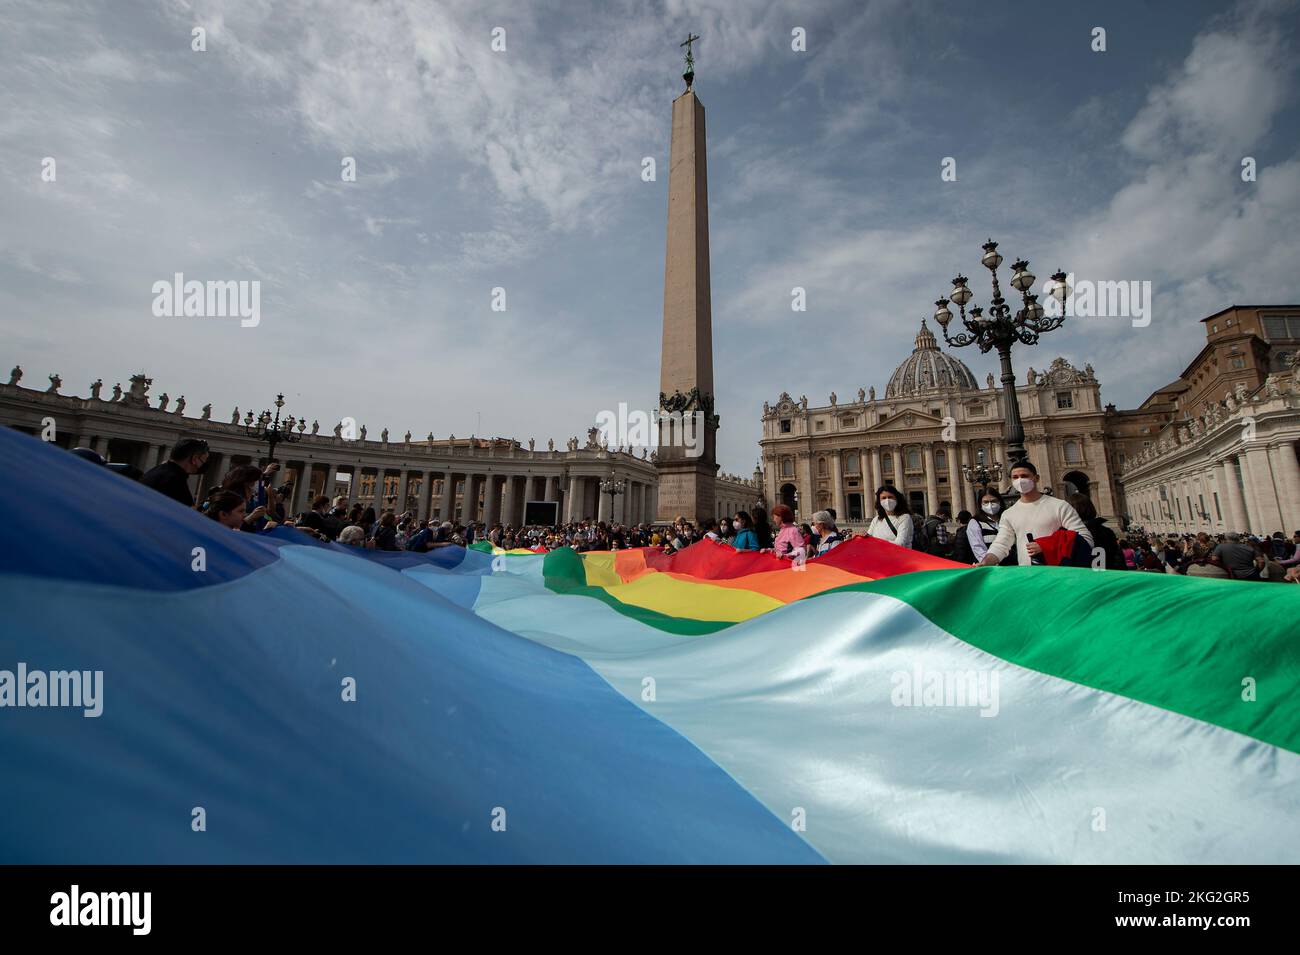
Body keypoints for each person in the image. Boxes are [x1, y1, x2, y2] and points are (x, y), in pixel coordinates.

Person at [979, 461, 1092, 566]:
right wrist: (986, 561)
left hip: (1057, 573)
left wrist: (1045, 546)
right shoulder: (1009, 514)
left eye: (1024, 476)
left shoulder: (1060, 506)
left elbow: (1085, 538)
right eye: (1015, 477)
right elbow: (1001, 545)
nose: (1020, 480)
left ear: (1036, 478)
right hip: (1028, 576)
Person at [141, 438, 210, 508]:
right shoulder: (175, 482)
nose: (203, 465)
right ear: (194, 459)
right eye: (203, 461)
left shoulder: (157, 470)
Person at [1068, 493, 1124, 570]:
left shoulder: (1068, 535)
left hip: (1083, 579)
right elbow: (1118, 560)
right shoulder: (1107, 532)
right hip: (1106, 577)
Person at [966, 486, 1014, 565]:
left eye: (993, 501)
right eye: (986, 502)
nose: (990, 505)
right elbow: (978, 547)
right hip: (993, 567)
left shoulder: (1007, 517)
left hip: (1013, 564)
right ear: (980, 505)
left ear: (1000, 502)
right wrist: (989, 563)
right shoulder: (975, 522)